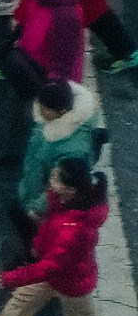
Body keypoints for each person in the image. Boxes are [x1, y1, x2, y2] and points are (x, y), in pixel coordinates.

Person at [0, 157, 114, 316]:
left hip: (70, 284)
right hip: (60, 275)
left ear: (71, 189)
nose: (51, 180)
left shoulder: (74, 230)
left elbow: (50, 266)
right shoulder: (69, 203)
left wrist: (12, 277)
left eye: (56, 178)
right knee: (22, 299)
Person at [17, 62, 106, 225]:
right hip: (31, 188)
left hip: (41, 207)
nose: (39, 110)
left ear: (62, 111)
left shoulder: (75, 149)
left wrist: (34, 207)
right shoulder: (51, 120)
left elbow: (61, 186)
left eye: (44, 108)